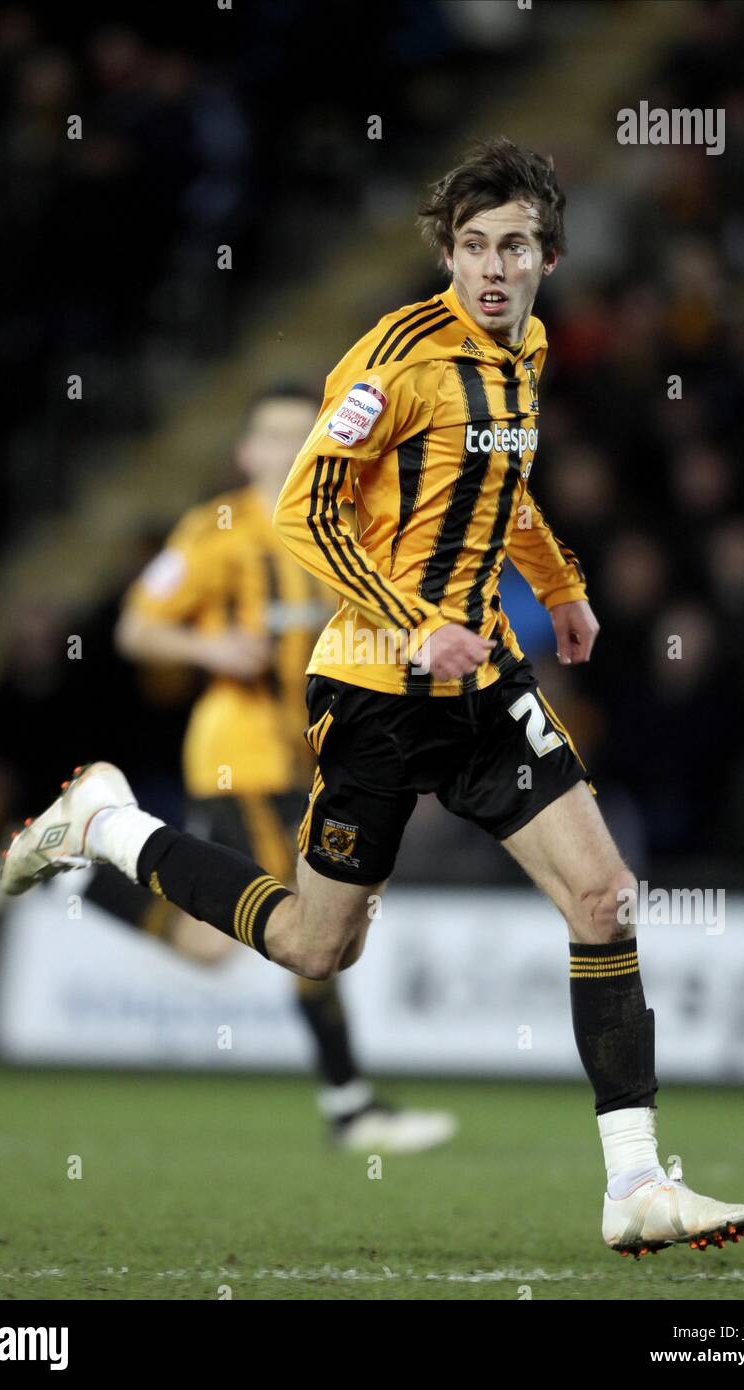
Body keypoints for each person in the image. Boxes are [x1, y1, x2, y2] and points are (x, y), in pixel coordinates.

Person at [2, 137, 744, 1256]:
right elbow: (307, 510)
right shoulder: (395, 358)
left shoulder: (529, 349)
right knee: (316, 945)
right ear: (447, 252)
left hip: (483, 676)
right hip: (373, 688)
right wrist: (414, 623)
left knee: (603, 900)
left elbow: (502, 486)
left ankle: (635, 1182)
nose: (491, 268)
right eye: (470, 246)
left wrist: (560, 587)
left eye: (512, 246)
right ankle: (106, 823)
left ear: (548, 252)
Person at [105, 382, 455, 1152]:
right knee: (309, 922)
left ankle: (95, 854)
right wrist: (209, 648)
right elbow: (135, 627)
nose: (292, 447)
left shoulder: (356, 531)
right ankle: (350, 1107)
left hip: (319, 760)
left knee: (215, 948)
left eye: (309, 433)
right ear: (246, 451)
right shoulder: (218, 529)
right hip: (242, 757)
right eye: (276, 435)